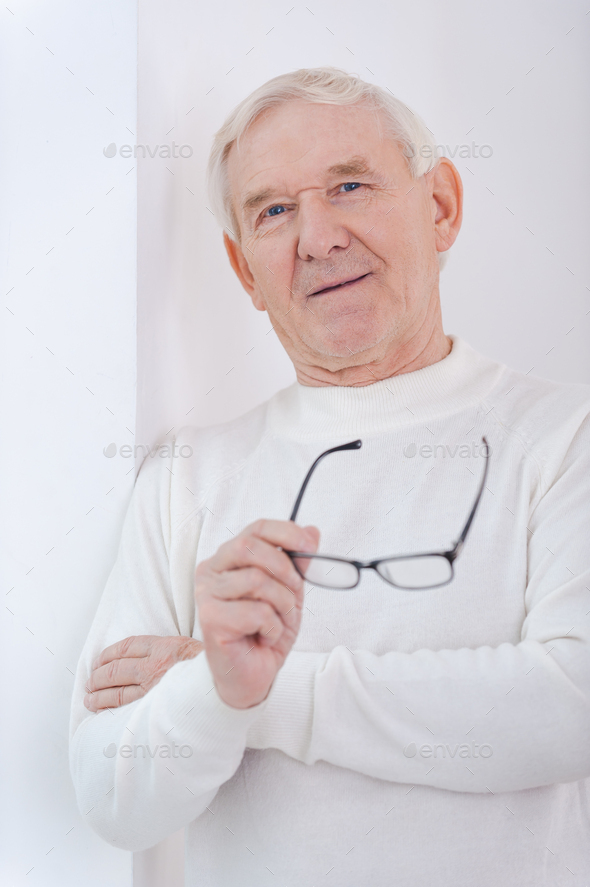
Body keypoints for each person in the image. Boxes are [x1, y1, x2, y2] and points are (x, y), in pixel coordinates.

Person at [69, 67, 590, 886]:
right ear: (245, 270)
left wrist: (251, 689)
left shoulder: (565, 438)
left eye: (349, 185)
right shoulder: (190, 473)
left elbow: (571, 704)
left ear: (441, 205)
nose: (317, 237)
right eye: (273, 210)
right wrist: (213, 688)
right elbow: (110, 796)